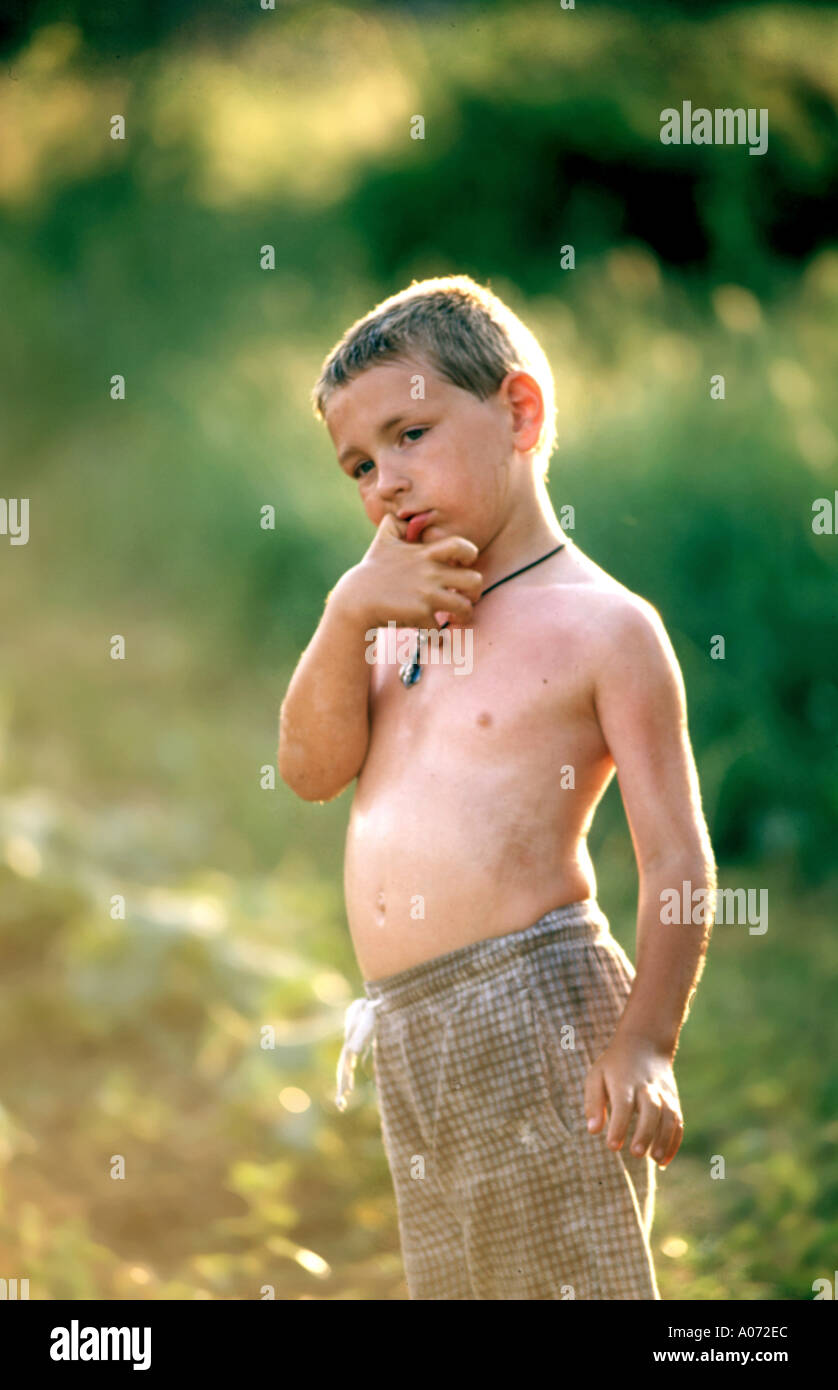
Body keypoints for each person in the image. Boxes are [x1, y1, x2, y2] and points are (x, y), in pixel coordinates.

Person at [278, 274, 716, 1300]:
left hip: (531, 1008)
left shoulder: (603, 627)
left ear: (517, 413)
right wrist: (348, 615)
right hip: (410, 1024)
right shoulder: (388, 616)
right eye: (358, 463)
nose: (384, 480)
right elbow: (308, 770)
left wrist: (646, 1041)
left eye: (411, 433)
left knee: (562, 1278)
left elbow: (678, 858)